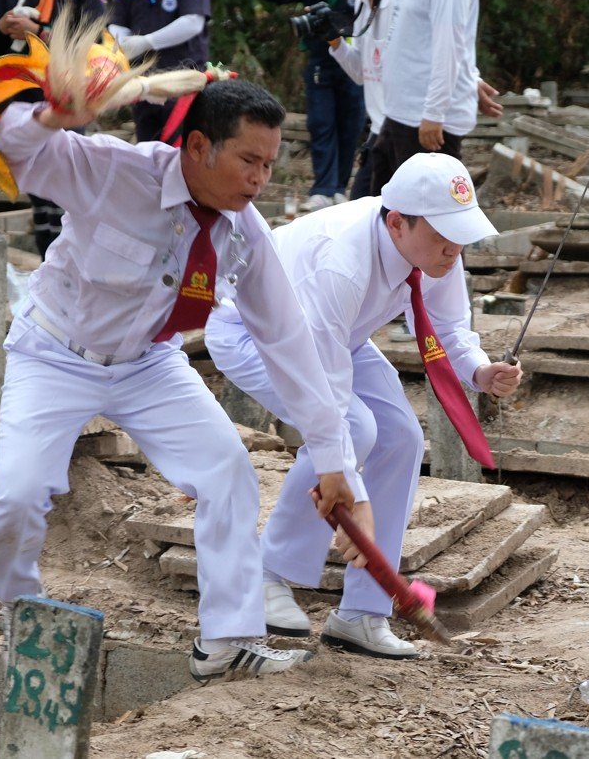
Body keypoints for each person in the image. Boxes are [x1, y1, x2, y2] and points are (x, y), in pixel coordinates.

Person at [0, 79, 368, 682]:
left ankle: (227, 645)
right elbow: (12, 148)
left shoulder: (244, 232)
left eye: (269, 165)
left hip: (149, 365)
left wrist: (337, 462)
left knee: (228, 471)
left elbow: (289, 343)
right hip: (55, 354)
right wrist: (52, 116)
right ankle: (16, 605)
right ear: (200, 145)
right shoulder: (115, 171)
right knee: (18, 495)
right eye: (249, 161)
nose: (260, 179)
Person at [205, 152, 523, 658]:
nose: (454, 247)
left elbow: (450, 327)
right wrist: (356, 497)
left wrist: (481, 372)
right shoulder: (342, 263)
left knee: (401, 436)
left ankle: (363, 613)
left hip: (341, 338)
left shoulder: (438, 253)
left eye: (461, 232)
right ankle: (267, 573)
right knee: (352, 429)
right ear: (396, 222)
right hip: (256, 335)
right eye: (444, 233)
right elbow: (321, 395)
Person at [0, 0, 106, 258]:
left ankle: (71, 267)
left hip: (66, 105)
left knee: (68, 190)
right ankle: (47, 265)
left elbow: (94, 41)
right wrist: (2, 28)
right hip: (23, 107)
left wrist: (39, 33)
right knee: (38, 194)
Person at [367, 0, 503, 195]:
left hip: (423, 122)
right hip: (401, 114)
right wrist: (471, 80)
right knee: (387, 212)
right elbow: (422, 37)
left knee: (426, 220)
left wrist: (435, 112)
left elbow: (450, 44)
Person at [261, 0, 366, 211]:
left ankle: (338, 188)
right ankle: (323, 189)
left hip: (355, 65)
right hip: (321, 63)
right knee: (321, 124)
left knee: (350, 127)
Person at [108, 0, 211, 145]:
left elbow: (193, 22)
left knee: (183, 151)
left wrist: (148, 42)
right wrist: (124, 41)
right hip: (144, 86)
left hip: (183, 84)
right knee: (147, 152)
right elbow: (117, 22)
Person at [326, 0, 382, 200]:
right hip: (379, 129)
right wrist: (335, 41)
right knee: (360, 204)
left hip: (407, 125)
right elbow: (360, 72)